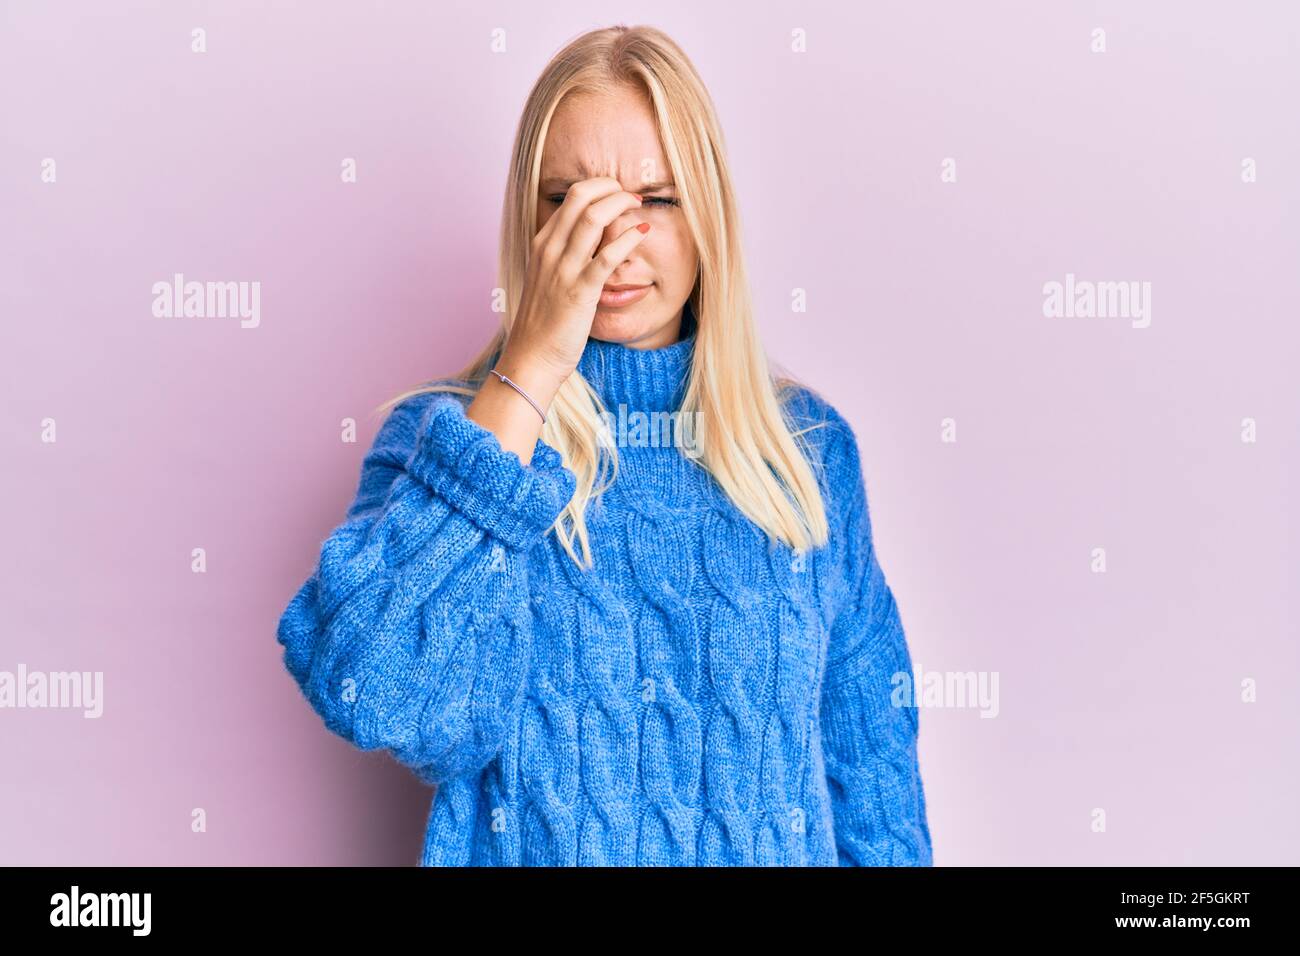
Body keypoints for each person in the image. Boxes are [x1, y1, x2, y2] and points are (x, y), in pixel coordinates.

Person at [276, 23, 933, 866]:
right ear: (530, 220)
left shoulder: (808, 456)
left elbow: (872, 773)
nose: (612, 244)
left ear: (709, 216)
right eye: (569, 203)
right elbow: (378, 694)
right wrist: (533, 367)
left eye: (655, 202)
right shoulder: (450, 443)